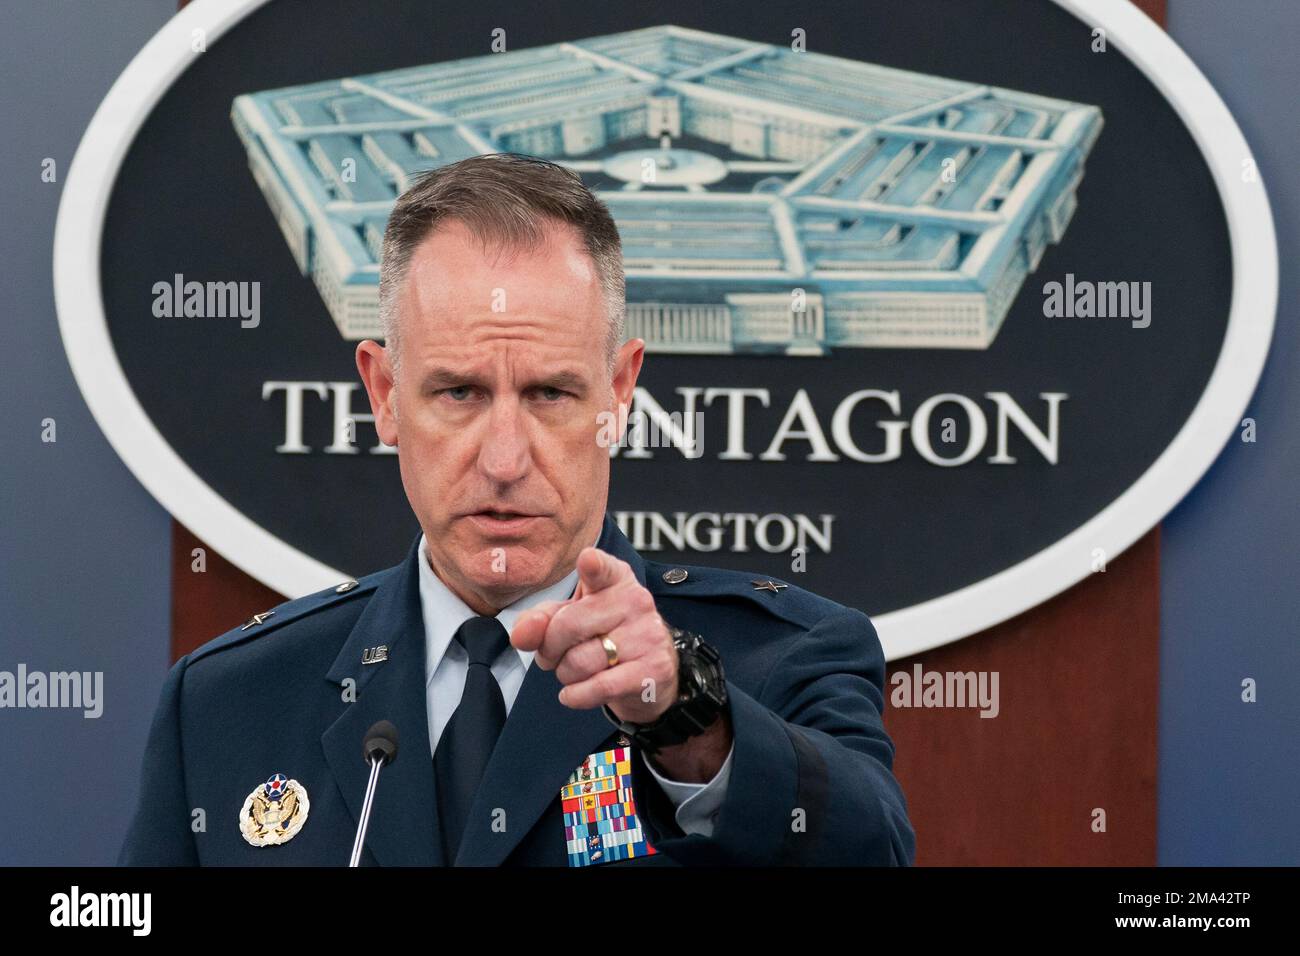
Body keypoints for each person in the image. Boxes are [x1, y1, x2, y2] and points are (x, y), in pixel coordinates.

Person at [118, 152, 915, 866]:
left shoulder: (777, 660)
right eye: (458, 392)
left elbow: (872, 847)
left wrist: (691, 721)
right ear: (386, 395)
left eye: (551, 394)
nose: (504, 461)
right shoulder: (229, 703)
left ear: (620, 393)